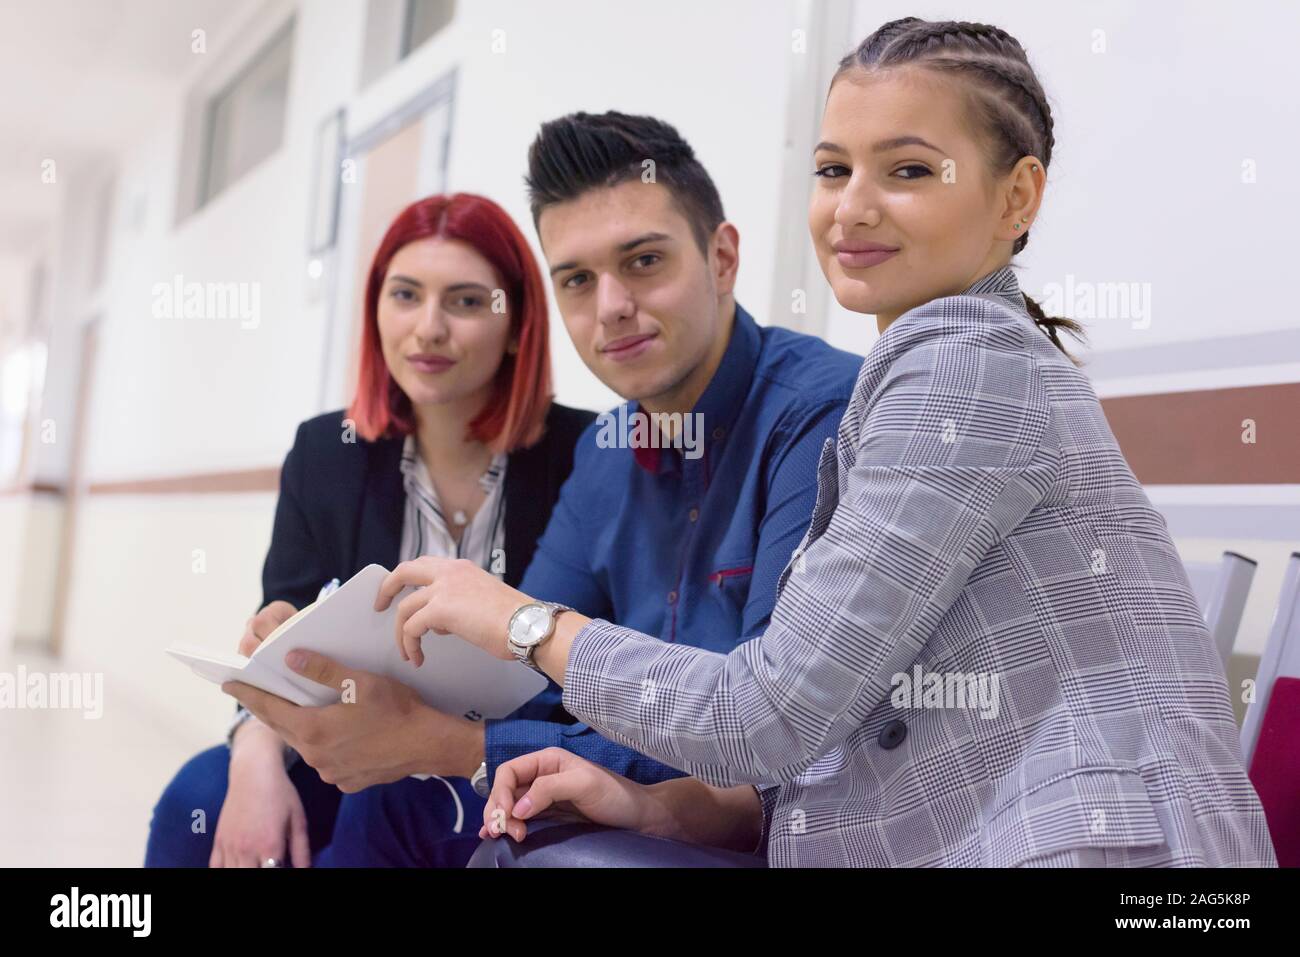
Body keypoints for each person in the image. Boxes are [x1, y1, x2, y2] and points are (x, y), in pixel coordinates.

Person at [371, 18, 1278, 867]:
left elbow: (764, 715)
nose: (853, 208)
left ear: (1017, 196)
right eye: (833, 169)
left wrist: (524, 624)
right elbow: (811, 747)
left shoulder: (962, 367)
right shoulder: (922, 371)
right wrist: (656, 805)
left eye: (910, 170)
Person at [222, 111, 863, 866]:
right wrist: (337, 673)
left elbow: (762, 735)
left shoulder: (820, 416)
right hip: (637, 790)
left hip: (774, 825)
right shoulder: (605, 452)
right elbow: (527, 687)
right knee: (388, 799)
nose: (612, 306)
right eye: (578, 280)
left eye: (645, 261)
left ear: (722, 259)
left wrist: (453, 742)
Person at [145, 193, 595, 867]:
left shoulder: (584, 453)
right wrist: (257, 759)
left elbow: (585, 679)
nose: (429, 327)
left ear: (516, 324)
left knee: (383, 806)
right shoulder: (329, 452)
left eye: (468, 302)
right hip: (347, 746)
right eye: (406, 295)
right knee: (199, 798)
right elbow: (283, 634)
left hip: (495, 759)